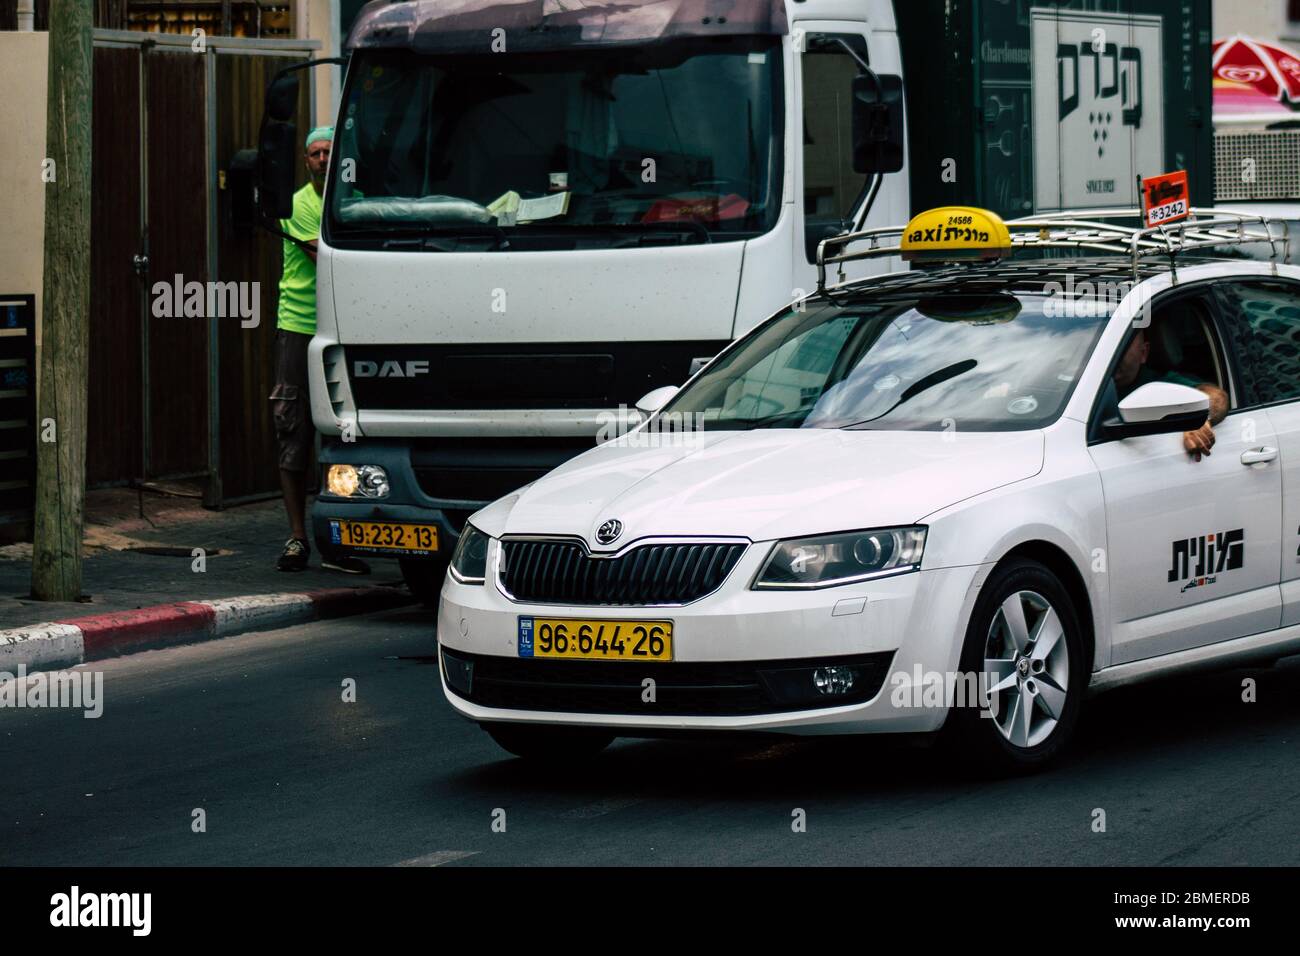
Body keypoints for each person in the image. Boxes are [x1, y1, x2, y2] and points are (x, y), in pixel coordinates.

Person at [271, 127, 368, 574]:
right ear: (305, 160)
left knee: (345, 433)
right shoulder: (300, 205)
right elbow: (328, 255)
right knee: (293, 430)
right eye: (315, 153)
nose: (323, 158)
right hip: (299, 326)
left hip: (346, 327)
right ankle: (296, 538)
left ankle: (342, 540)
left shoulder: (356, 199)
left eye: (330, 151)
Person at [1106, 327, 1228, 461]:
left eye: (1121, 345)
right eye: (1106, 347)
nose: (1111, 355)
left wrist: (1200, 420)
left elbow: (1215, 396)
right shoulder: (1085, 386)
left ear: (1143, 353)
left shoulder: (1160, 383)